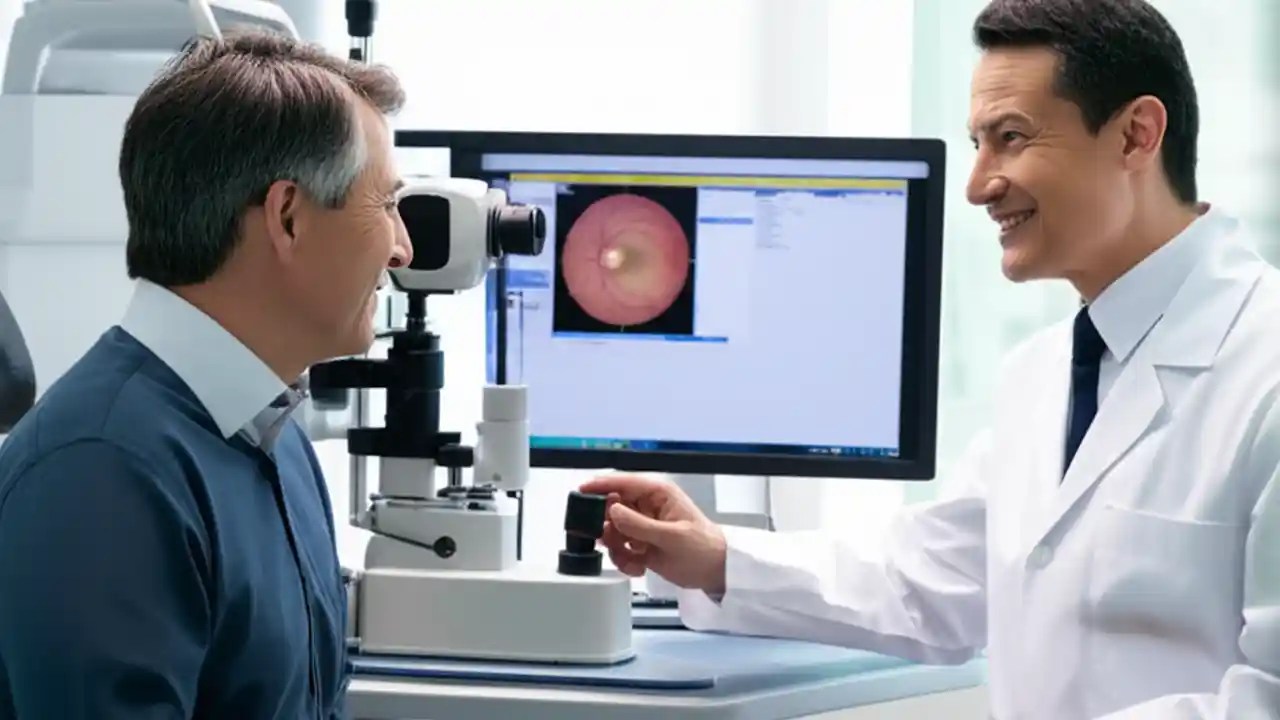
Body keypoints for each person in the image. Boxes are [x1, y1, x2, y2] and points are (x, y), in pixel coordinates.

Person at [584, 1, 1280, 718]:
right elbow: (933, 576)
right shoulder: (1042, 373)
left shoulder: (1265, 373)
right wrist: (714, 556)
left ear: (1136, 135)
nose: (978, 185)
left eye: (1011, 138)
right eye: (978, 143)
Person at [0, 29, 412, 718]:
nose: (402, 249)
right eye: (386, 205)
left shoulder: (278, 443)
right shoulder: (99, 473)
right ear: (287, 216)